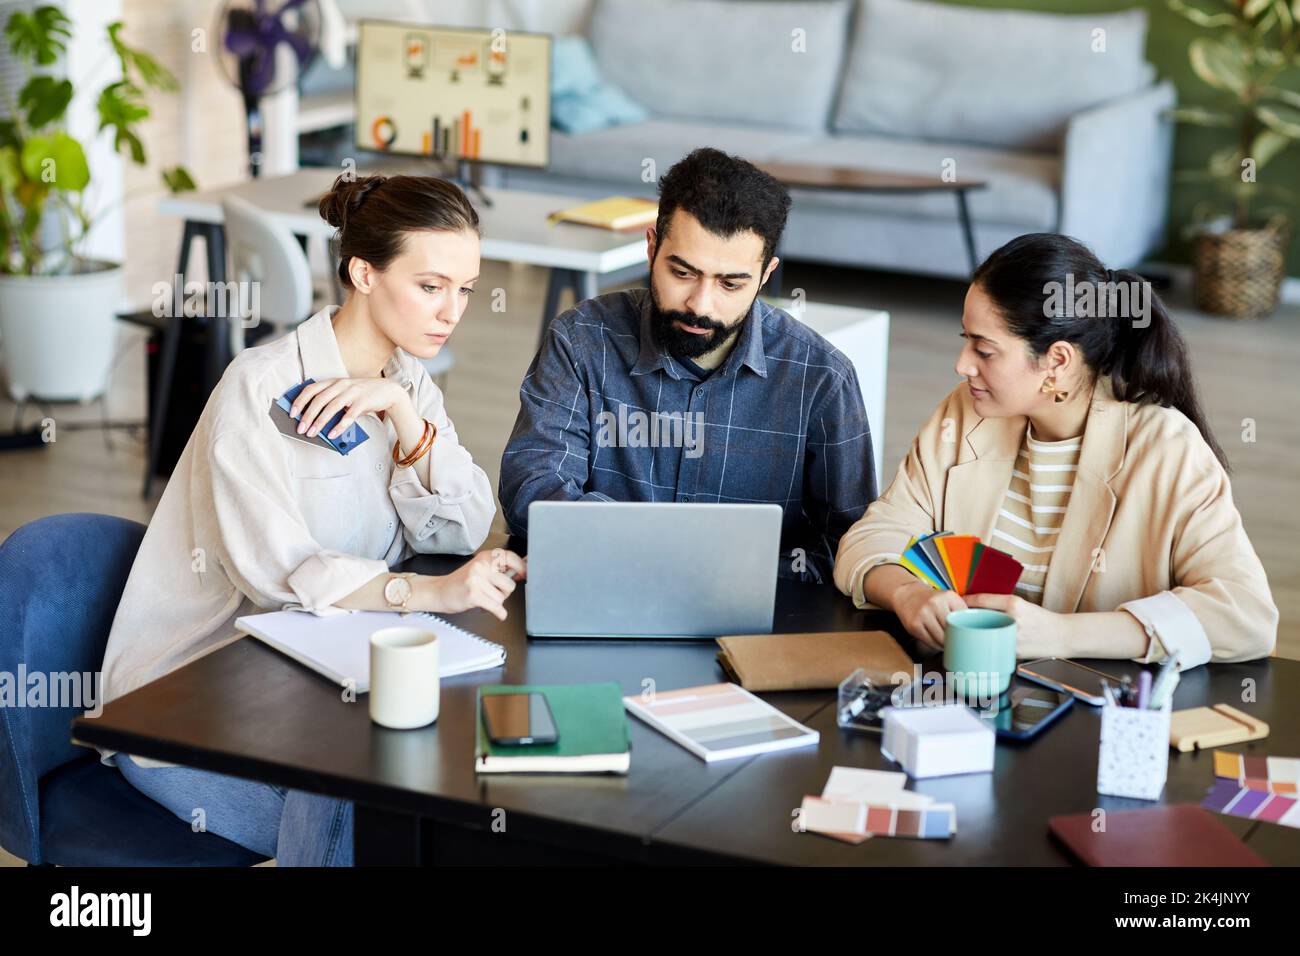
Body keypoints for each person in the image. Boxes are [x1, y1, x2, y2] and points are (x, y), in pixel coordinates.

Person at [96, 174, 524, 866]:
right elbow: (283, 574)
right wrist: (427, 594)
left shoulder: (408, 383)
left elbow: (463, 528)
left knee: (432, 788)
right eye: (431, 286)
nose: (453, 311)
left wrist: (404, 414)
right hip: (187, 703)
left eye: (466, 289)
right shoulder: (258, 387)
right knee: (370, 809)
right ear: (363, 272)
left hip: (320, 678)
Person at [834, 233, 1276, 667]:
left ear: (1058, 362)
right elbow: (873, 536)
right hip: (965, 694)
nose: (963, 364)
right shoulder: (965, 412)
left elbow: (1245, 615)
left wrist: (1063, 634)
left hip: (1101, 709)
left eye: (984, 350)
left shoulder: (1167, 449)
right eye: (965, 339)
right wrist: (906, 592)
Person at [499, 147, 876, 582]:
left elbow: (852, 546)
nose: (700, 304)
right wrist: (667, 559)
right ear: (652, 247)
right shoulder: (581, 340)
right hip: (605, 589)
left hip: (760, 621)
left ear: (766, 274)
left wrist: (732, 576)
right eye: (682, 274)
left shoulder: (822, 377)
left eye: (731, 284)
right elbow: (532, 489)